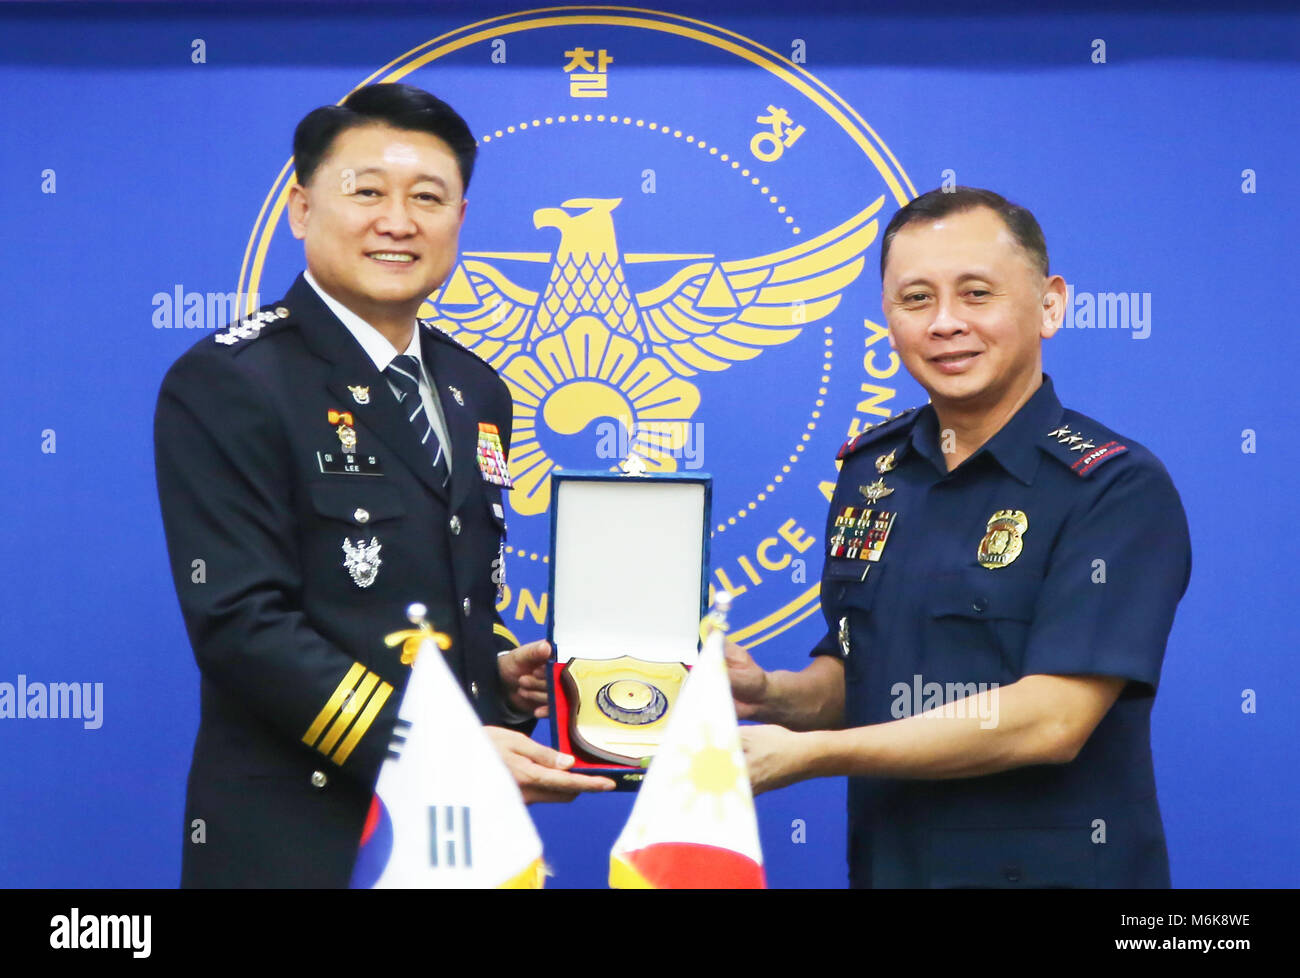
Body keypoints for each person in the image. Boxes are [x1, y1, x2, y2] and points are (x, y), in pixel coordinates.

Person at [154, 83, 613, 888]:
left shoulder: (475, 389)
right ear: (301, 209)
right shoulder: (231, 380)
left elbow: (450, 591)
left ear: (459, 221)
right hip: (304, 836)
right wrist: (441, 746)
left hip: (458, 838)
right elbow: (239, 625)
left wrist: (497, 676)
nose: (398, 221)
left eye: (427, 198)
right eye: (366, 192)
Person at [726, 187, 1191, 888]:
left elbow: (1052, 720)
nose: (945, 323)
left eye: (976, 294)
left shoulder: (1114, 489)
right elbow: (870, 676)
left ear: (1050, 305)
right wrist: (773, 694)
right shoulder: (872, 475)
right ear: (887, 318)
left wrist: (813, 755)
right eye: (916, 299)